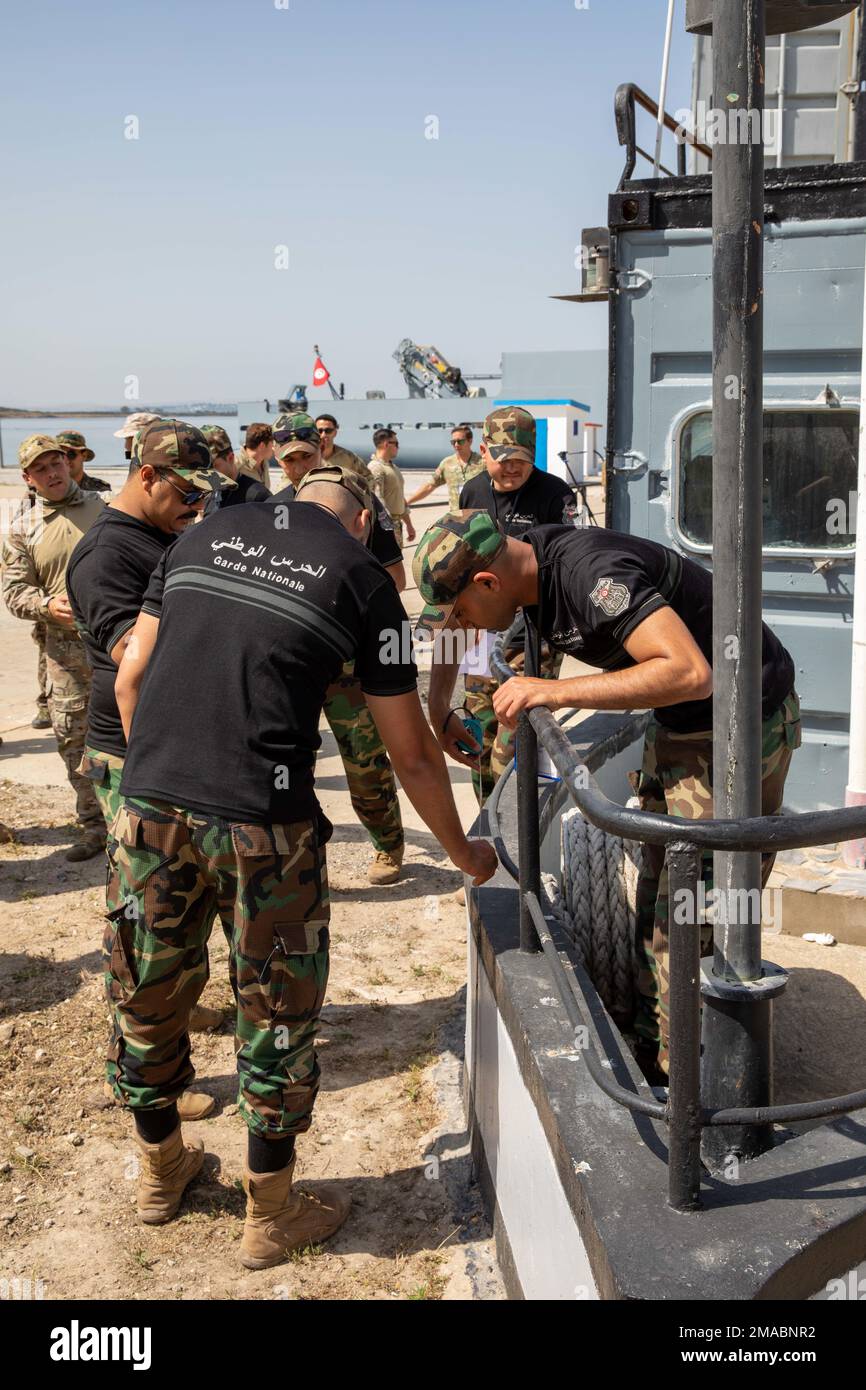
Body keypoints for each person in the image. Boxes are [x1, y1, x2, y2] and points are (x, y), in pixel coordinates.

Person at [107, 465, 496, 1265]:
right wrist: (464, 853)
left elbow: (131, 676)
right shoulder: (362, 578)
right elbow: (412, 755)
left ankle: (161, 1172)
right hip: (265, 827)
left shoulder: (197, 537)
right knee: (275, 1011)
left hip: (149, 808)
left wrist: (157, 778)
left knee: (144, 990)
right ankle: (271, 1213)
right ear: (361, 522)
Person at [414, 509, 800, 1084]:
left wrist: (555, 689)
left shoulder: (590, 576)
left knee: (693, 911)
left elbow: (689, 671)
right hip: (681, 723)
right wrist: (438, 710)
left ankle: (691, 1091)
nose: (469, 627)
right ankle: (653, 1045)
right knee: (658, 880)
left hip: (737, 728)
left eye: (467, 610)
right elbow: (450, 630)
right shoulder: (522, 562)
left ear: (488, 582)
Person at [66, 418, 229, 1069]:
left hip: (174, 745)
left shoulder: (164, 534)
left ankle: (179, 1009)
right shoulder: (107, 553)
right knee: (149, 918)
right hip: (132, 752)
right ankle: (142, 1065)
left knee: (189, 900)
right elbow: (133, 657)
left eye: (202, 494)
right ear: (146, 475)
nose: (195, 504)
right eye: (186, 491)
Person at [271, 412, 407, 884]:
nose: (298, 467)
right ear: (276, 458)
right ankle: (301, 844)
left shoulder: (359, 501)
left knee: (364, 759)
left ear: (322, 450)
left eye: (306, 456)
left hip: (350, 660)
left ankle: (388, 845)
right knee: (289, 761)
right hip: (297, 660)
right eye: (289, 460)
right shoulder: (273, 510)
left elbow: (395, 577)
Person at [454, 406, 582, 799]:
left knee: (514, 736)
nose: (511, 469)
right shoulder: (472, 490)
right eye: (503, 459)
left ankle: (513, 821)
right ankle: (485, 818)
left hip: (532, 633)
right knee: (478, 728)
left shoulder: (554, 494)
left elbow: (561, 566)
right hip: (481, 631)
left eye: (521, 461)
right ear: (486, 452)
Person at [2, 435, 107, 859]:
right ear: (28, 478)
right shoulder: (21, 526)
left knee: (134, 731)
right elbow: (14, 593)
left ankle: (141, 823)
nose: (52, 473)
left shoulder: (107, 507)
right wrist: (47, 605)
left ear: (68, 463)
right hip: (64, 656)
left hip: (115, 641)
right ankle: (94, 827)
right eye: (41, 469)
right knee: (73, 740)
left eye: (57, 463)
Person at [407, 423, 484, 511]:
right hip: (456, 518)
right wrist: (408, 501)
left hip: (478, 517)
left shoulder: (482, 463)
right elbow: (430, 486)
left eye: (460, 441)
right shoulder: (447, 463)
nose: (456, 445)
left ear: (470, 441)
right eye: (453, 442)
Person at [200, 425, 268, 509]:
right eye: (203, 467)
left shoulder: (257, 496)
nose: (207, 473)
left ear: (230, 458)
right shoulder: (209, 495)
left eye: (213, 466)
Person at [368, 429, 415, 547]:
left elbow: (399, 496)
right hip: (387, 526)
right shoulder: (376, 468)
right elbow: (378, 500)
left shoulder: (392, 467)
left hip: (396, 523)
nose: (398, 447)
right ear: (386, 444)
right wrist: (389, 528)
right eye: (396, 444)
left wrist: (409, 524)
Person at [315, 414, 373, 485]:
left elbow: (369, 478)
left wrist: (355, 493)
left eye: (328, 431)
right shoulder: (307, 456)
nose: (323, 435)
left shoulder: (349, 457)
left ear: (335, 433)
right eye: (319, 431)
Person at [235, 422, 274, 492]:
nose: (274, 448)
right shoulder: (236, 466)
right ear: (262, 446)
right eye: (272, 444)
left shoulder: (264, 464)